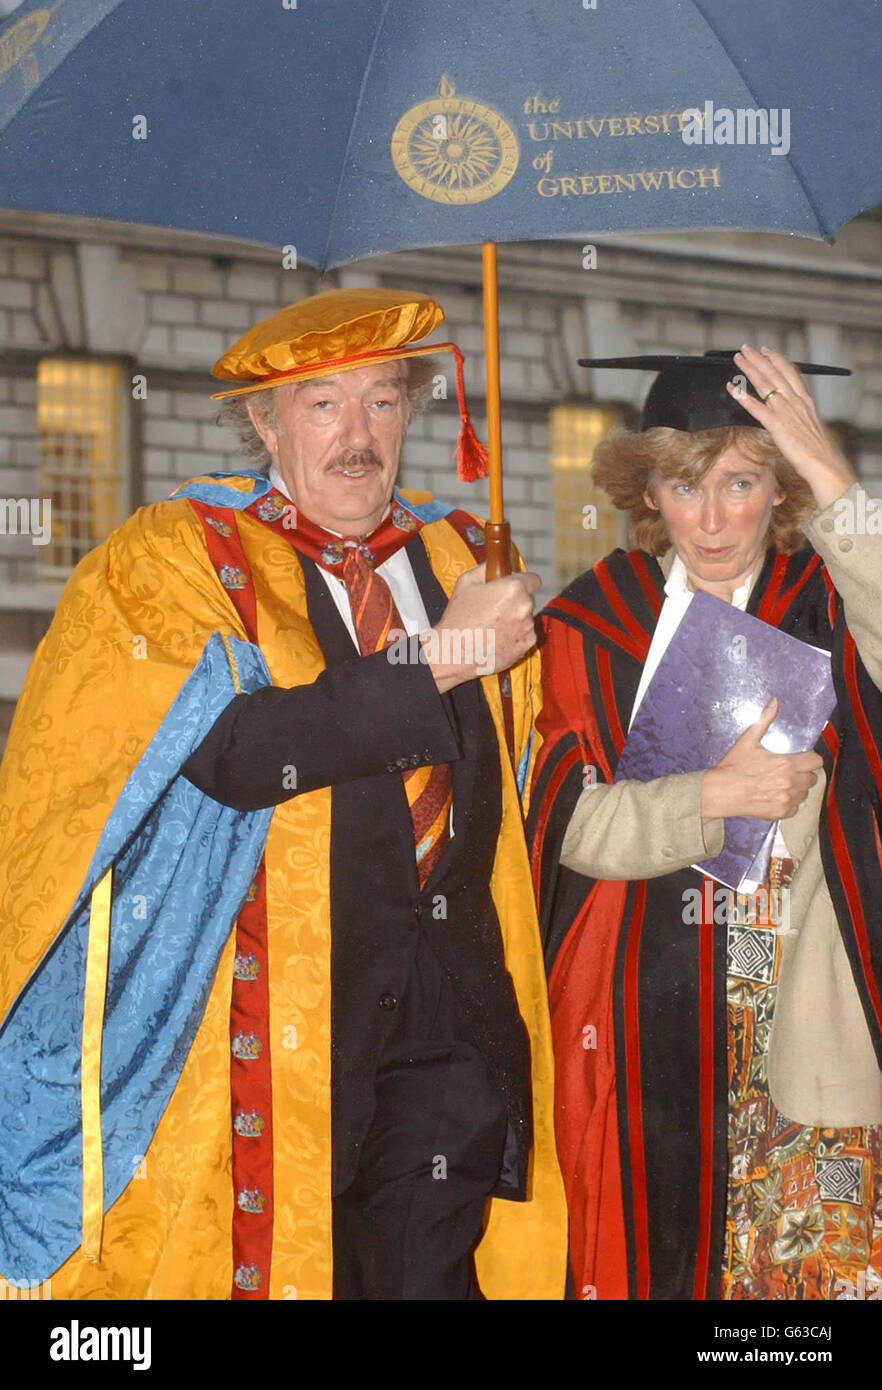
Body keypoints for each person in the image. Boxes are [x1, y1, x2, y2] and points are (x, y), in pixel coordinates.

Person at [0, 287, 566, 1301]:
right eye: (322, 406)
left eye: (383, 402)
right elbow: (236, 753)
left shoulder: (461, 554)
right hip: (279, 1017)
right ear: (263, 421)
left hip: (448, 1014)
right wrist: (445, 655)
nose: (359, 437)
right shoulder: (180, 556)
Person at [527, 343, 882, 1301]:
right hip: (640, 1024)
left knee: (799, 1302)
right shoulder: (593, 620)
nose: (713, 519)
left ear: (781, 491)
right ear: (648, 492)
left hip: (800, 1026)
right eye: (685, 486)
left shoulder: (830, 607)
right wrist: (712, 798)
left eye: (741, 481)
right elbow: (566, 826)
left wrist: (830, 465)